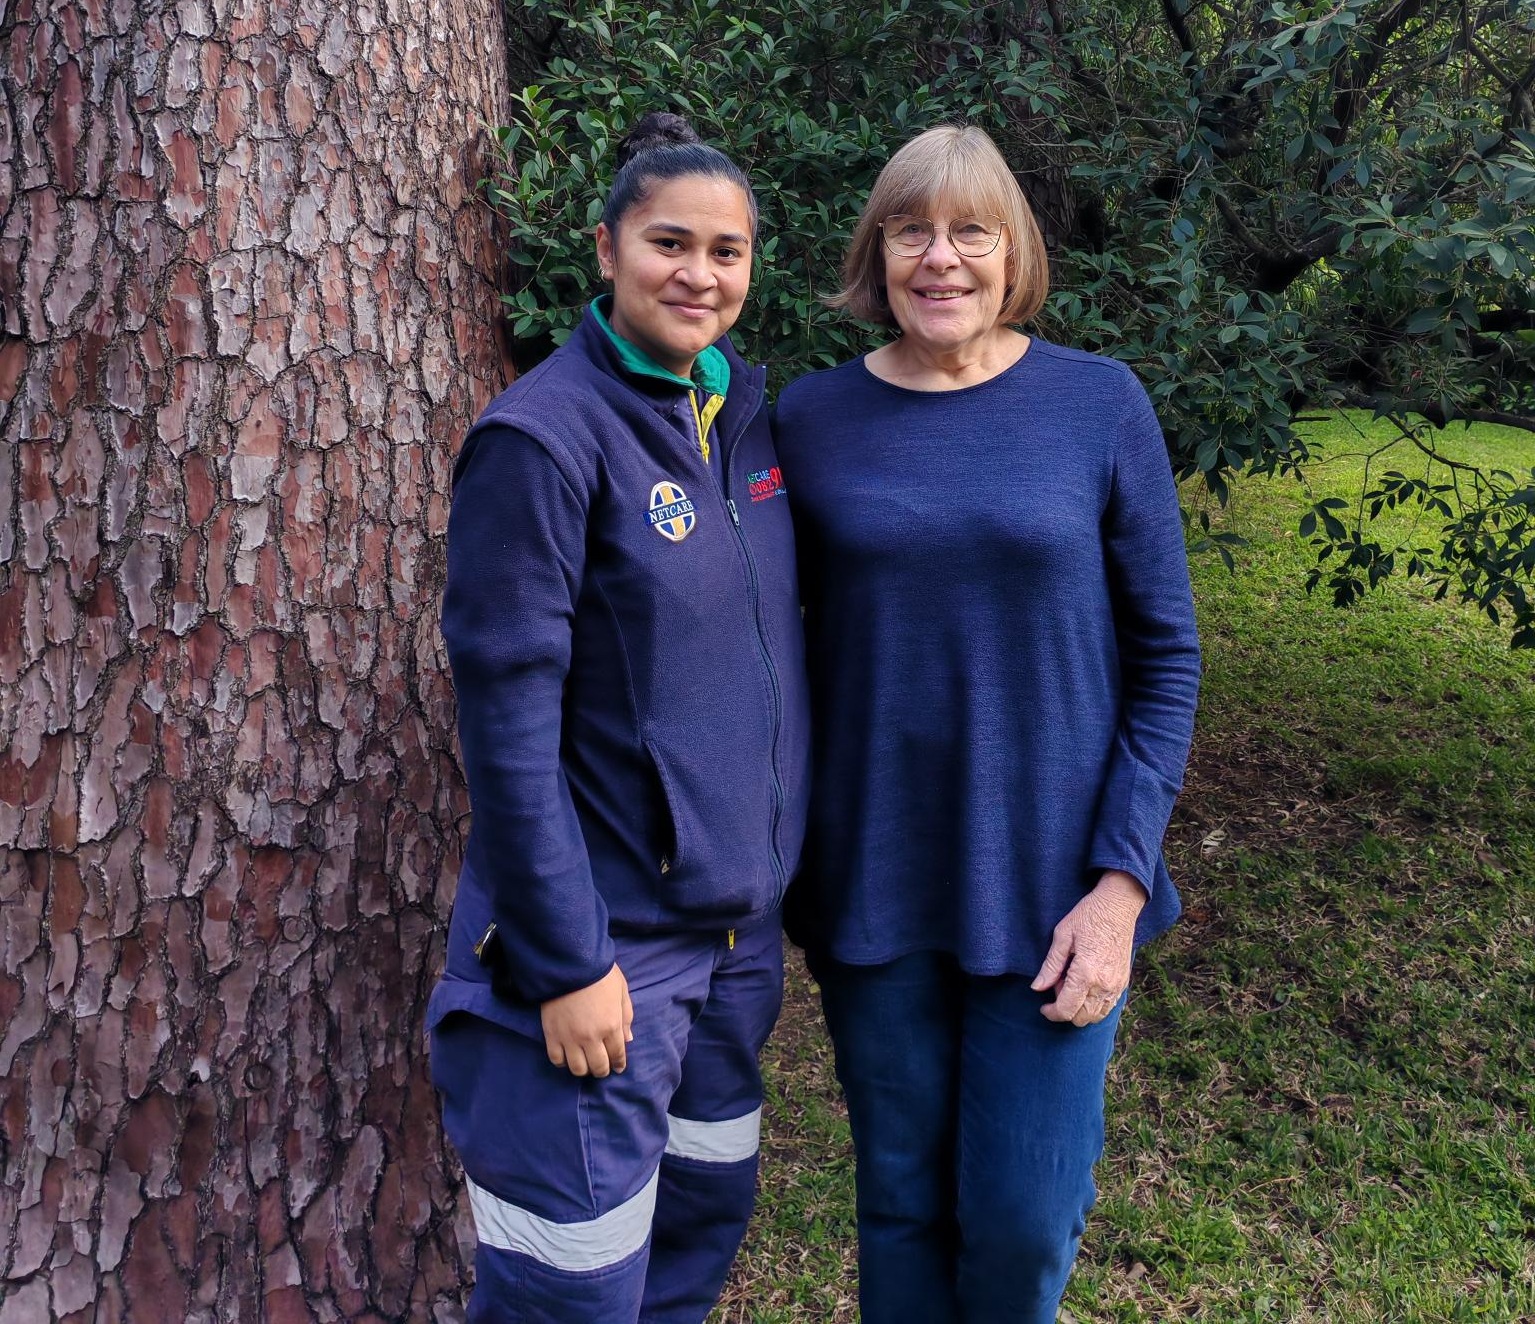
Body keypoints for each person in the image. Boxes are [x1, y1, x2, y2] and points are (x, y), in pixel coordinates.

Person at [773, 124, 1201, 1322]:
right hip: (875, 872)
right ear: (876, 251)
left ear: (1012, 253)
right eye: (911, 229)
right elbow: (733, 625)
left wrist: (1119, 884)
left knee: (1019, 1221)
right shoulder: (806, 421)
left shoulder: (1096, 404)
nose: (939, 258)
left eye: (970, 231)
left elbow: (1166, 655)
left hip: (1055, 887)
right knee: (901, 1204)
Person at [427, 112, 810, 1323]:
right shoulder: (540, 439)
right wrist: (564, 956)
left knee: (698, 1225)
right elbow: (504, 725)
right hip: (605, 953)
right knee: (571, 1288)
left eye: (727, 251)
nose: (699, 274)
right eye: (668, 243)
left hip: (737, 943)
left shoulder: (742, 418)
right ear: (604, 248)